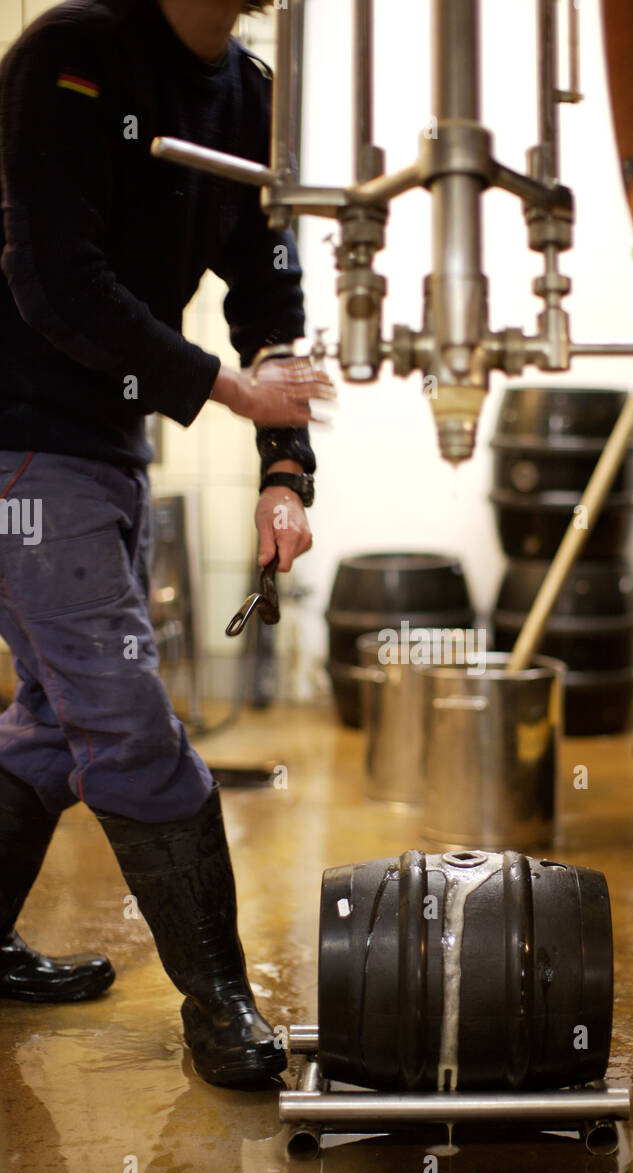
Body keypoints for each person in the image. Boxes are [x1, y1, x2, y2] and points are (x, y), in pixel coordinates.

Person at [0, 0, 332, 1086]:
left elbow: (270, 296)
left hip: (108, 445)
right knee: (126, 718)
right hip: (22, 436)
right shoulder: (72, 56)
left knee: (55, 721)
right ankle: (219, 1000)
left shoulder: (250, 99)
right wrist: (228, 389)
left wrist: (286, 473)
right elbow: (53, 279)